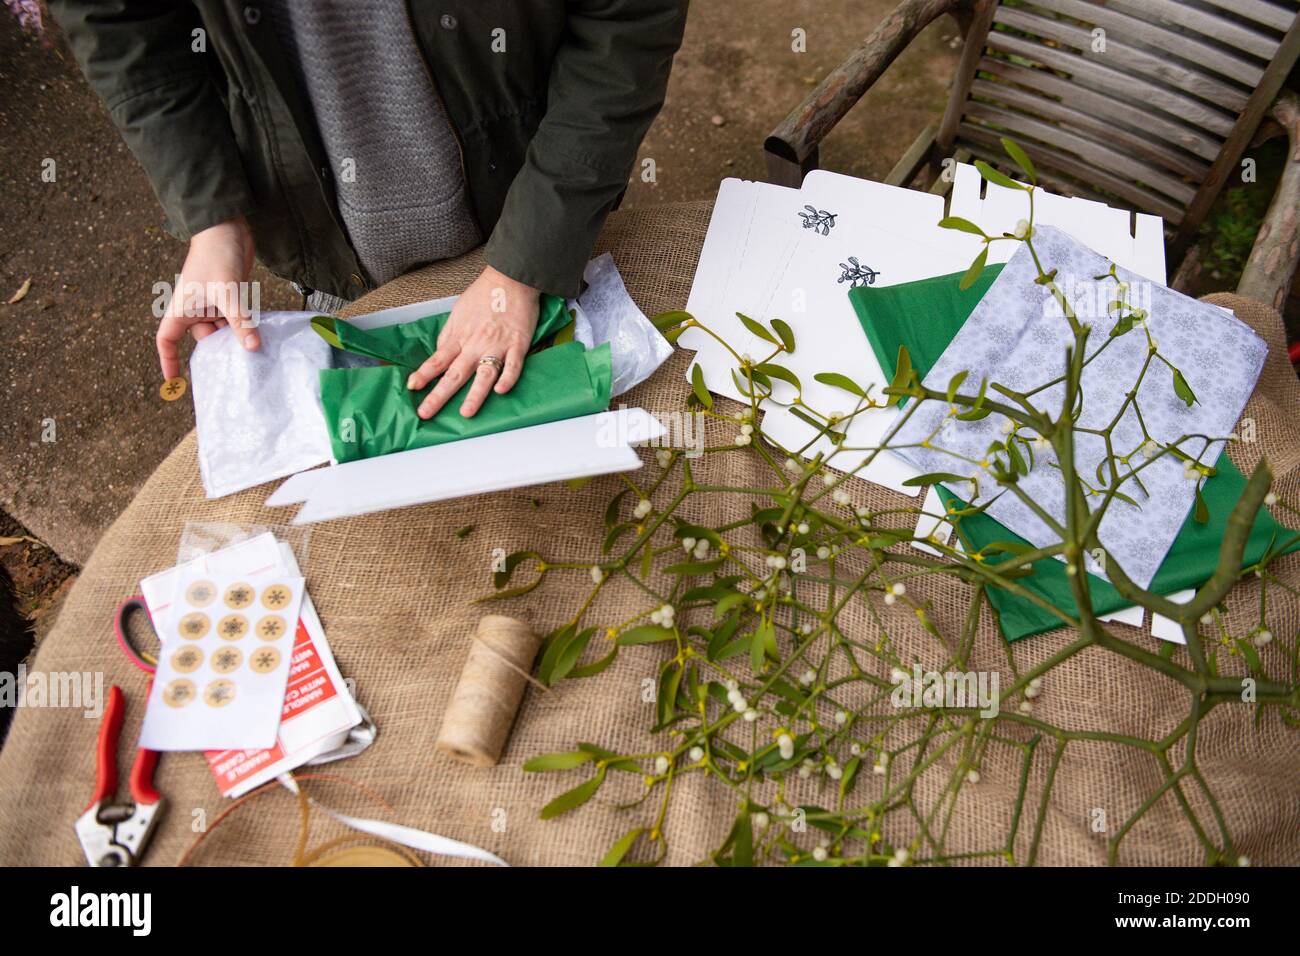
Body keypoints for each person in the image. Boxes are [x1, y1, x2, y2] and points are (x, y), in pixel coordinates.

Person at [52, 1, 687, 419]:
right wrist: (213, 217)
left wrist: (527, 259)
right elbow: (121, 28)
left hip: (516, 177)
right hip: (323, 227)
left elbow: (626, 28)